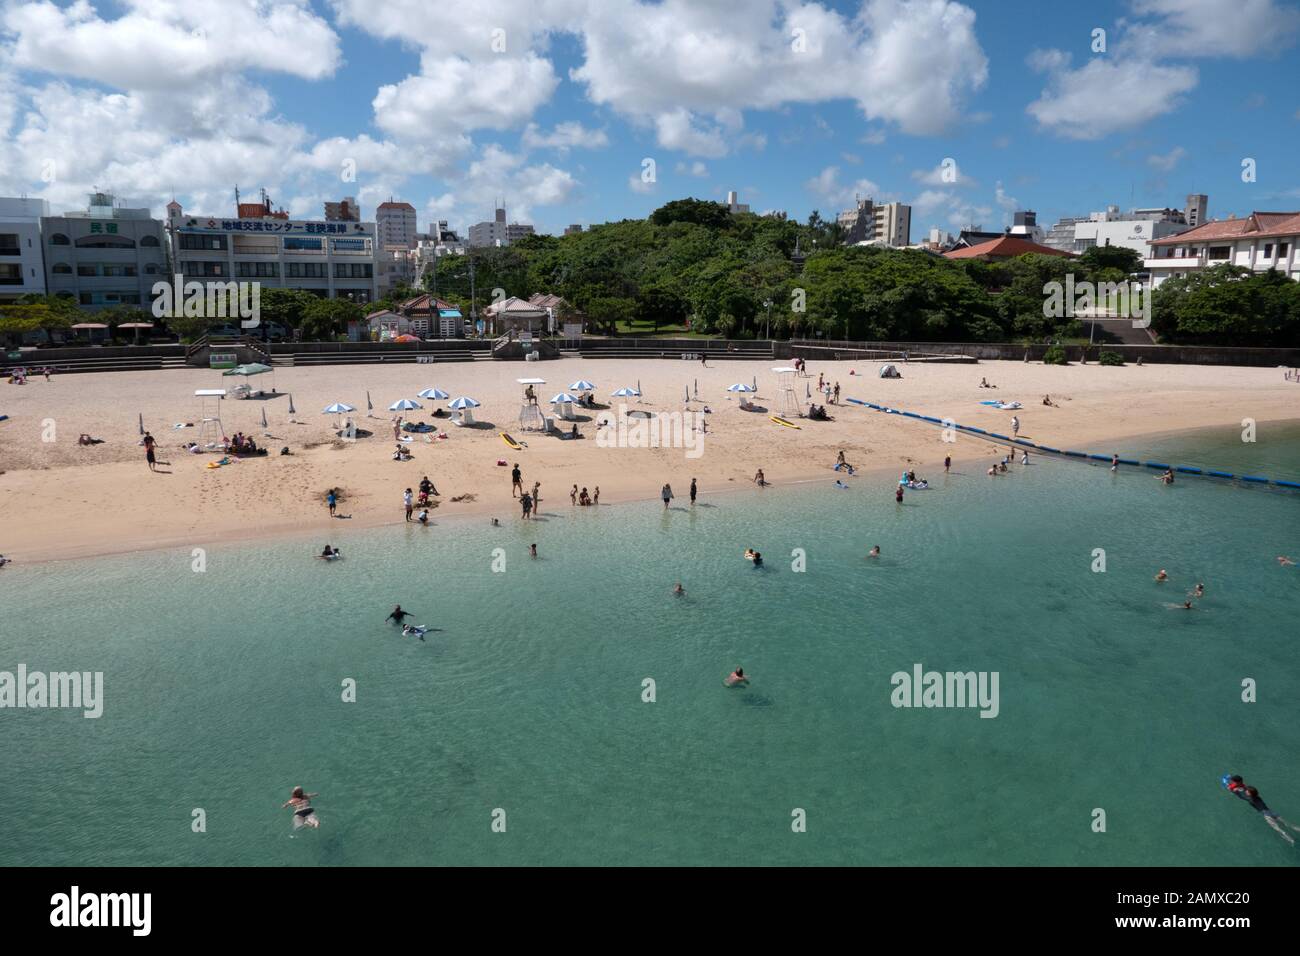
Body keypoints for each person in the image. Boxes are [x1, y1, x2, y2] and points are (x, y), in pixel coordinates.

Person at [1228, 778, 1300, 845]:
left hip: (1267, 815)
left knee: (1278, 829)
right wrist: (1240, 787)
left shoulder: (1250, 799)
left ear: (1250, 793)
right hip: (1272, 812)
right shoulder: (1257, 796)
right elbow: (1247, 791)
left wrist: (1235, 791)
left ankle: (1290, 839)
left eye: (1247, 791)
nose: (1246, 791)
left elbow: (1241, 796)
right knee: (1288, 824)